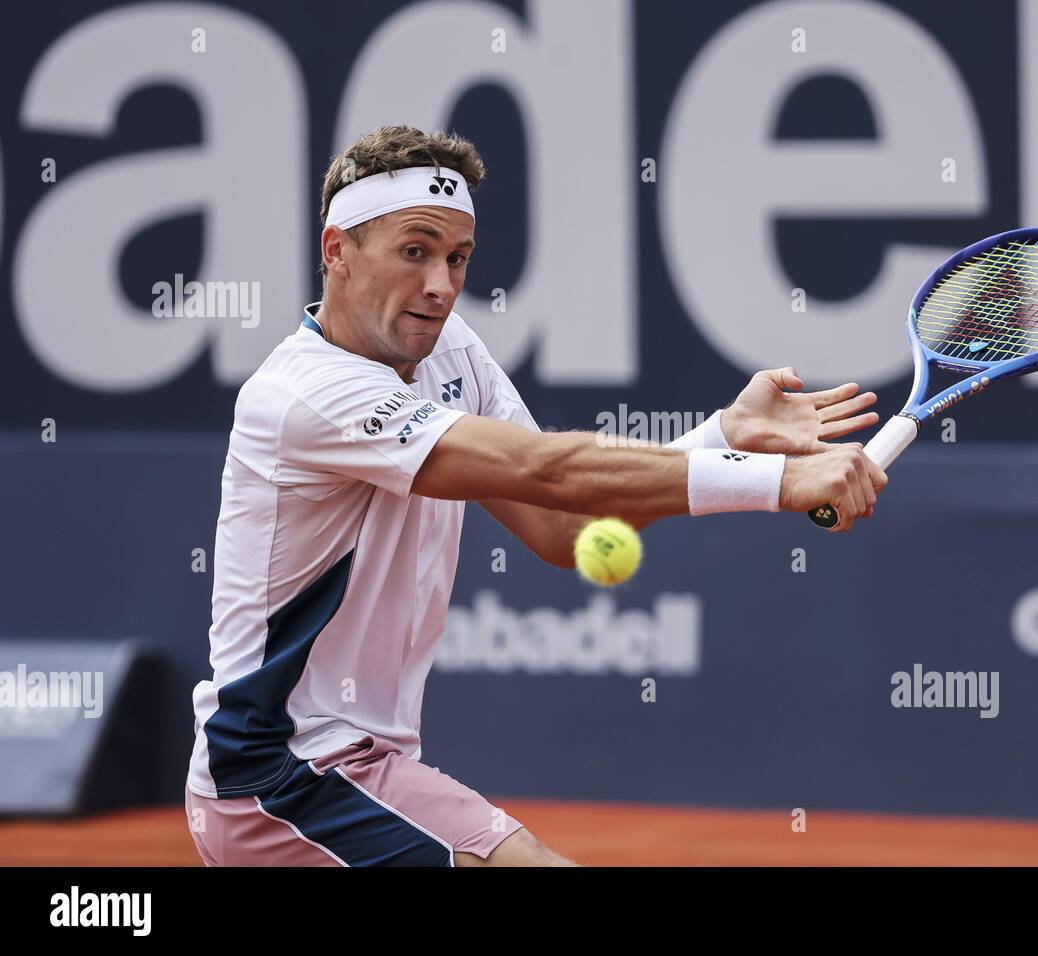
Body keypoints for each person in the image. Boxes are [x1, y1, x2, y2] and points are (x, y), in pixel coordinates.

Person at [184, 125, 887, 867]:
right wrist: (778, 483)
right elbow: (552, 469)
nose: (440, 285)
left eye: (457, 259)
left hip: (358, 770)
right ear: (337, 251)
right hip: (284, 777)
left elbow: (559, 524)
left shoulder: (452, 350)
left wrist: (724, 436)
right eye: (414, 251)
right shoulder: (303, 395)